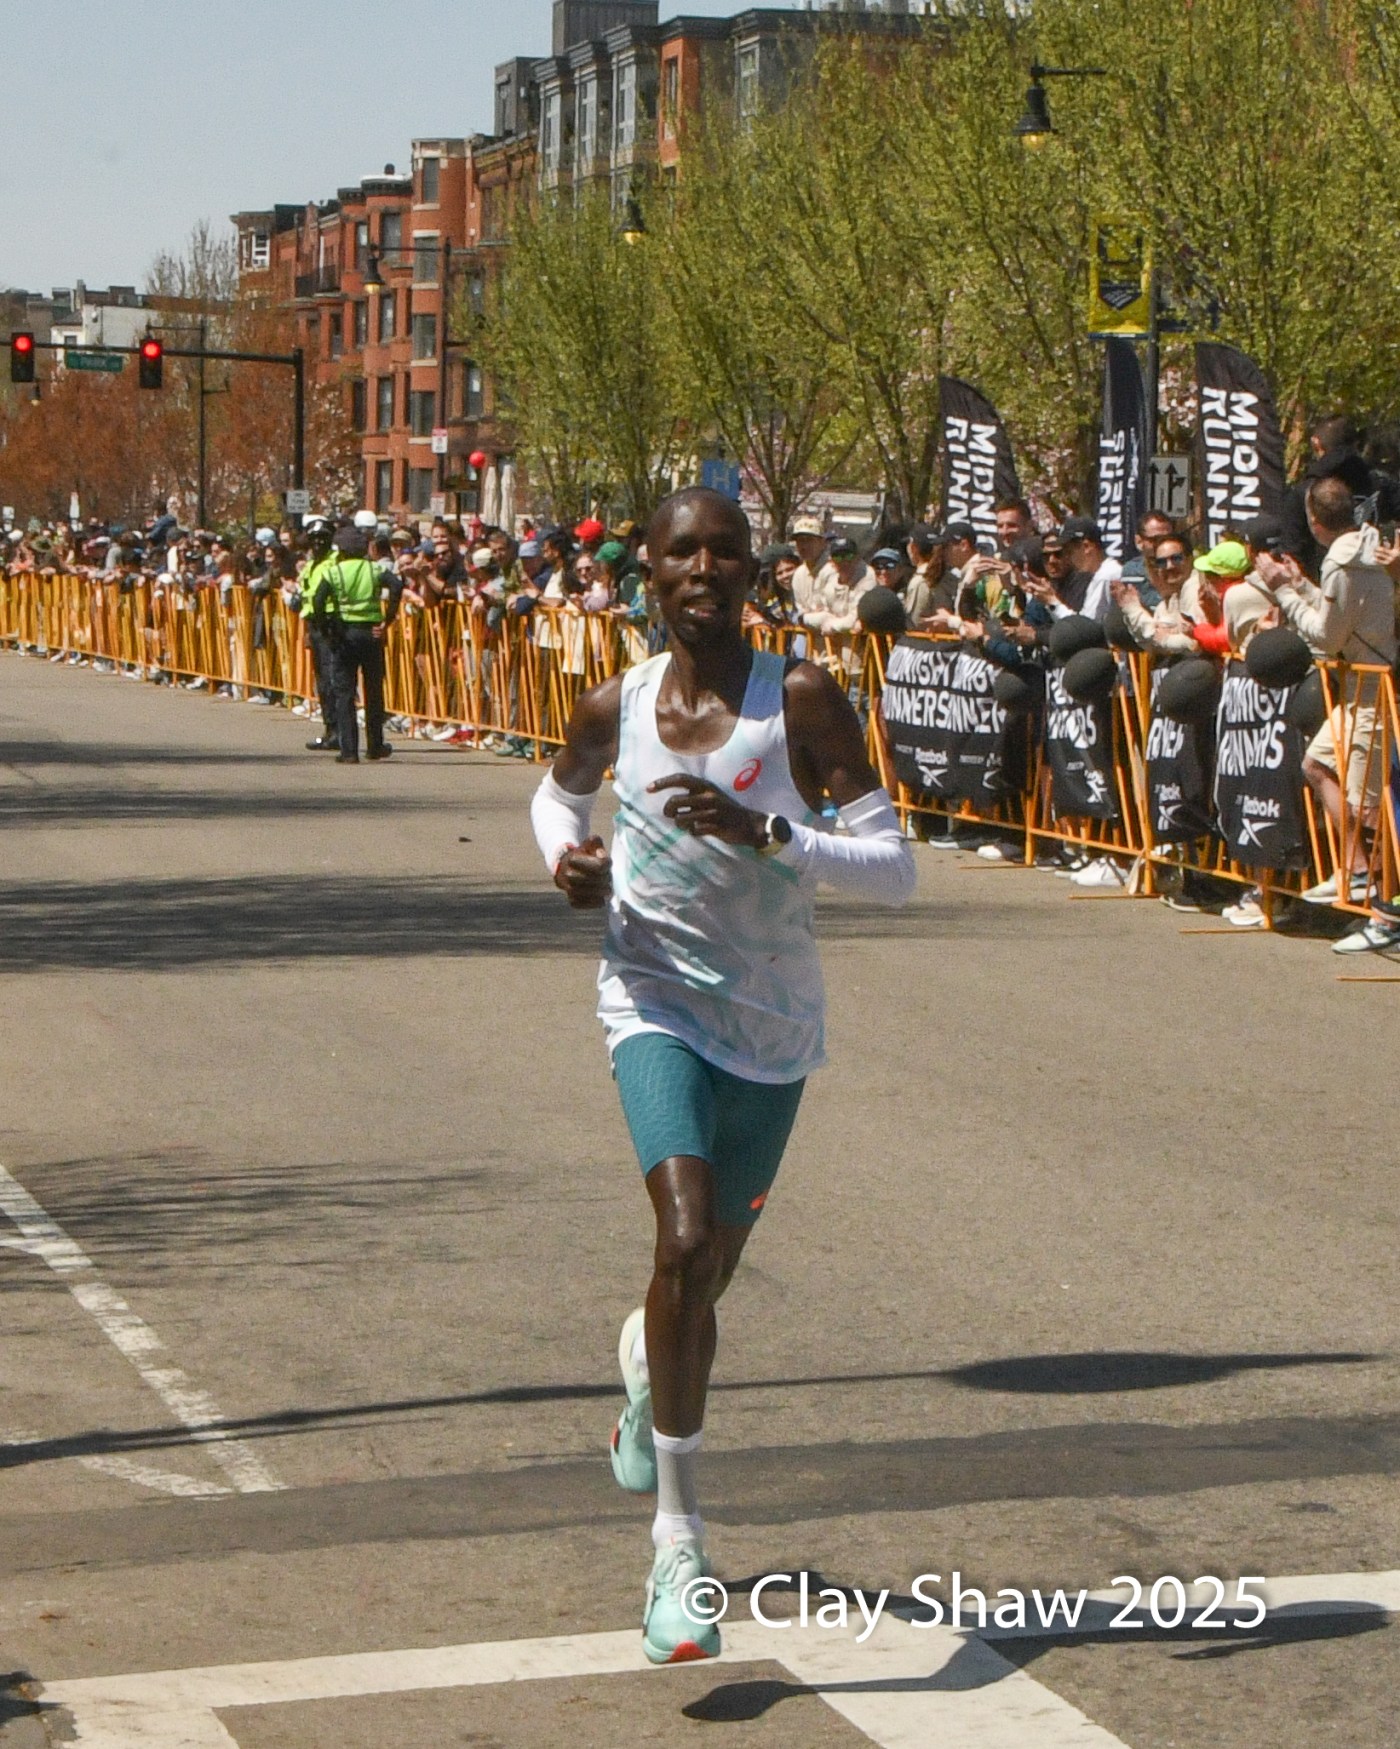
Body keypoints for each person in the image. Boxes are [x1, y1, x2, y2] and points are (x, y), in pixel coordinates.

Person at [530, 487, 915, 1666]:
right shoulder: (617, 702)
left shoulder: (795, 698)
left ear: (753, 574)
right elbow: (555, 795)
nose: (702, 569)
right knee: (684, 1240)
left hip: (771, 1026)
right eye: (679, 552)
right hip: (648, 999)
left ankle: (649, 1368)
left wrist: (773, 837)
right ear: (646, 571)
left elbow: (895, 869)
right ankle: (677, 1549)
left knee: (703, 1285)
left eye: (724, 553)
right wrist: (571, 862)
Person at [1256, 474, 1398, 904]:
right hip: (1358, 686)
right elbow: (1344, 617)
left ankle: (1384, 897)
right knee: (1317, 766)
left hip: (1373, 689)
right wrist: (1300, 585)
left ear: (1313, 520)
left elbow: (1326, 637)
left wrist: (1283, 592)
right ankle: (1357, 871)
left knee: (1367, 805)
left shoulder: (1344, 561)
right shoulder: (1361, 550)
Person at [312, 527, 401, 764]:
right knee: (373, 690)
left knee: (344, 693)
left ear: (340, 551)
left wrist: (326, 630)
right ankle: (375, 745)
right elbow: (396, 586)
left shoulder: (334, 573)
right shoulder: (373, 569)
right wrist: (387, 620)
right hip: (371, 633)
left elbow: (317, 601)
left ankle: (349, 750)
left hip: (344, 635)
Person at [298, 516, 342, 751]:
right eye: (314, 539)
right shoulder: (311, 564)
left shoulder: (335, 561)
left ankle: (338, 731)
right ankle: (329, 730)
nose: (317, 544)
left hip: (331, 624)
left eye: (322, 539)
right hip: (315, 625)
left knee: (332, 678)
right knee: (322, 681)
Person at [788, 514, 831, 622]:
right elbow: (801, 611)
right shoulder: (798, 574)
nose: (804, 546)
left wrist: (805, 618)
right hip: (809, 634)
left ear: (822, 543)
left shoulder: (834, 570)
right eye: (800, 541)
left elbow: (831, 615)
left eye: (809, 540)